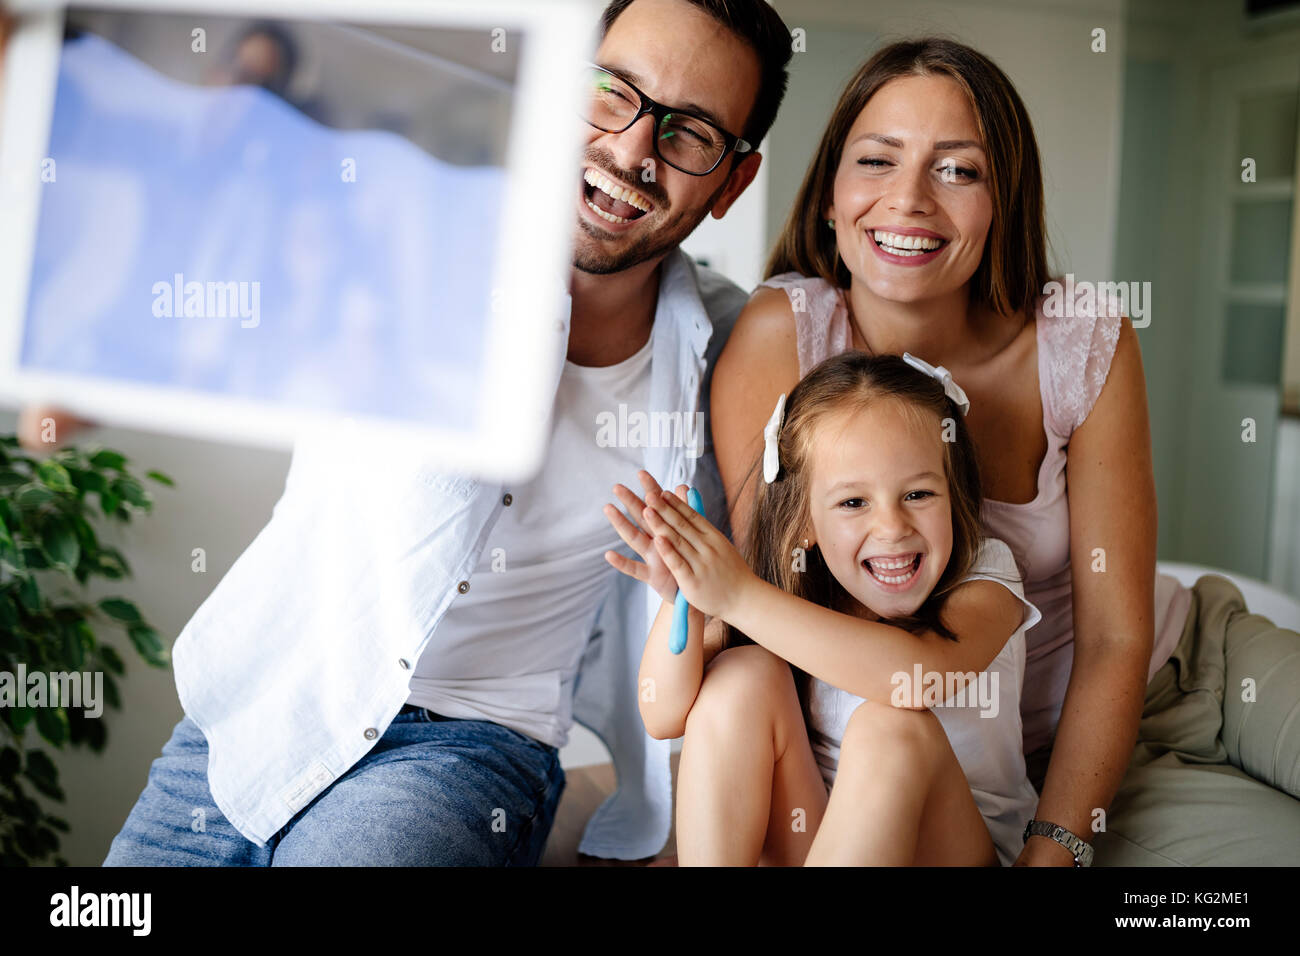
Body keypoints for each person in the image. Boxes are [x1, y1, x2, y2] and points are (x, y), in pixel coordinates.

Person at [7, 0, 793, 865]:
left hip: (471, 750)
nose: (635, 147)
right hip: (261, 711)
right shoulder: (402, 234)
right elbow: (121, 352)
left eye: (690, 136)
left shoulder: (736, 351)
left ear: (733, 182)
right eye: (613, 94)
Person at [710, 37, 1300, 865]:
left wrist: (1055, 849)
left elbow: (1114, 642)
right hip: (989, 766)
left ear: (1003, 202)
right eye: (877, 161)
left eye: (958, 170)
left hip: (1180, 674)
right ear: (831, 198)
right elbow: (771, 615)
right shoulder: (786, 339)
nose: (909, 201)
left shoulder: (1082, 340)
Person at [607, 351, 1042, 865]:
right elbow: (662, 715)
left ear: (954, 492)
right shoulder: (783, 597)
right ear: (805, 523)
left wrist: (739, 595)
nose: (892, 527)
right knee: (741, 675)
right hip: (821, 847)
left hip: (955, 851)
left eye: (919, 493)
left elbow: (918, 677)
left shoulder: (986, 576)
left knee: (892, 728)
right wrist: (686, 599)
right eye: (854, 503)